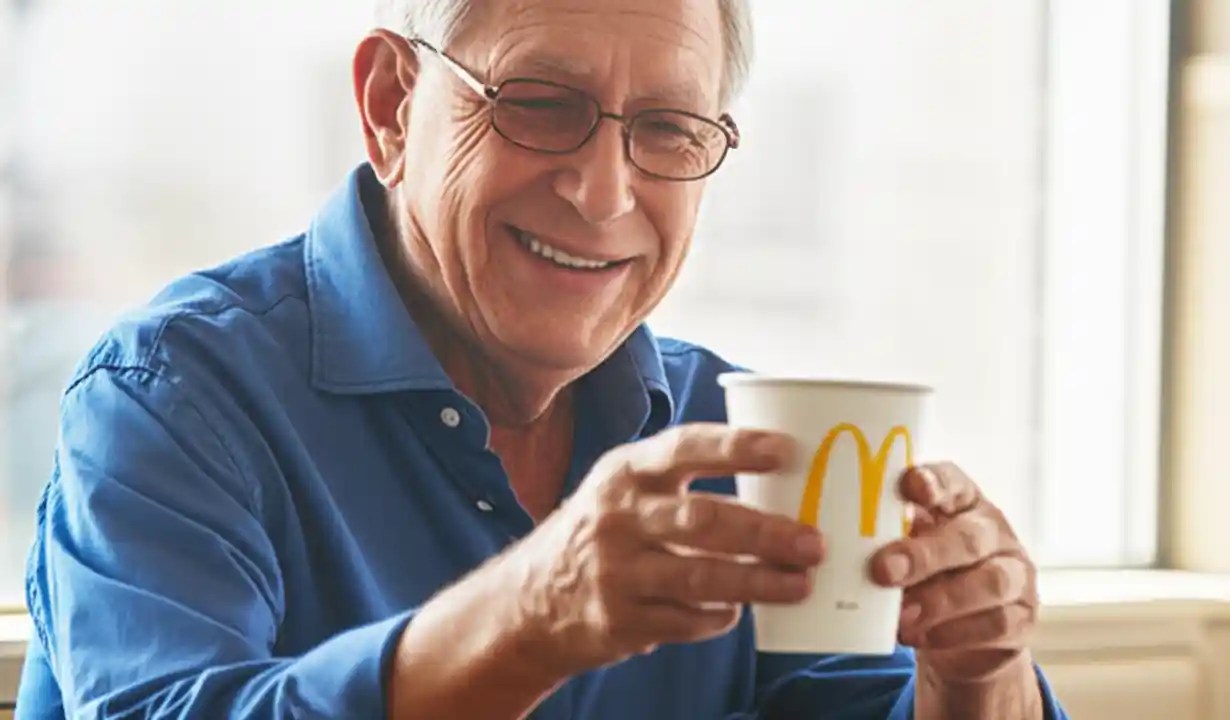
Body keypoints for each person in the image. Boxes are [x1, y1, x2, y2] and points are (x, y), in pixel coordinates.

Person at [16, 0, 1069, 717]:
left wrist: (976, 671)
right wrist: (533, 615)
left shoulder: (722, 428)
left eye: (666, 128)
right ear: (390, 104)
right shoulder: (172, 399)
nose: (604, 192)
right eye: (535, 105)